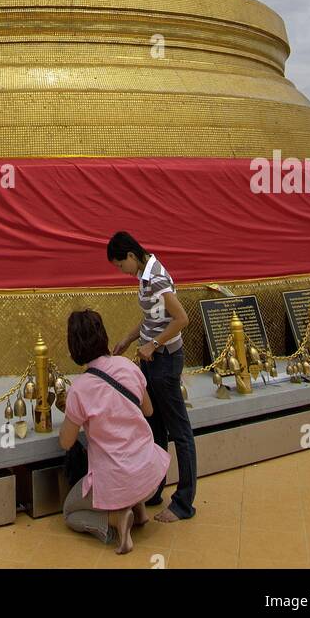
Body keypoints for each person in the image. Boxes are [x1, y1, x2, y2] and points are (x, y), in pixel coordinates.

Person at [59, 308, 170, 555]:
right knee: (128, 456)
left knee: (69, 512)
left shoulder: (79, 389)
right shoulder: (127, 367)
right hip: (151, 474)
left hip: (118, 481)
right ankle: (138, 510)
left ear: (73, 347)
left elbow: (66, 443)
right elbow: (149, 410)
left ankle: (115, 521)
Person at [107, 230, 197, 522]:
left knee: (179, 431)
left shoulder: (155, 277)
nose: (122, 271)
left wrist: (153, 345)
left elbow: (181, 318)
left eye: (121, 265)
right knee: (155, 429)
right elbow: (151, 318)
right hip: (152, 359)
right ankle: (155, 487)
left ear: (131, 256)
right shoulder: (145, 275)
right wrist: (129, 339)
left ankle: (184, 502)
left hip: (164, 361)